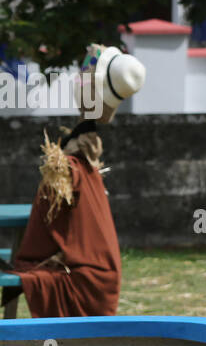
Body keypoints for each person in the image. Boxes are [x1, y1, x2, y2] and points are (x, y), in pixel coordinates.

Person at [12, 44, 146, 317]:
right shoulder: (84, 159)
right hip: (103, 275)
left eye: (86, 72)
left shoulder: (74, 164)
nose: (78, 76)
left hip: (88, 277)